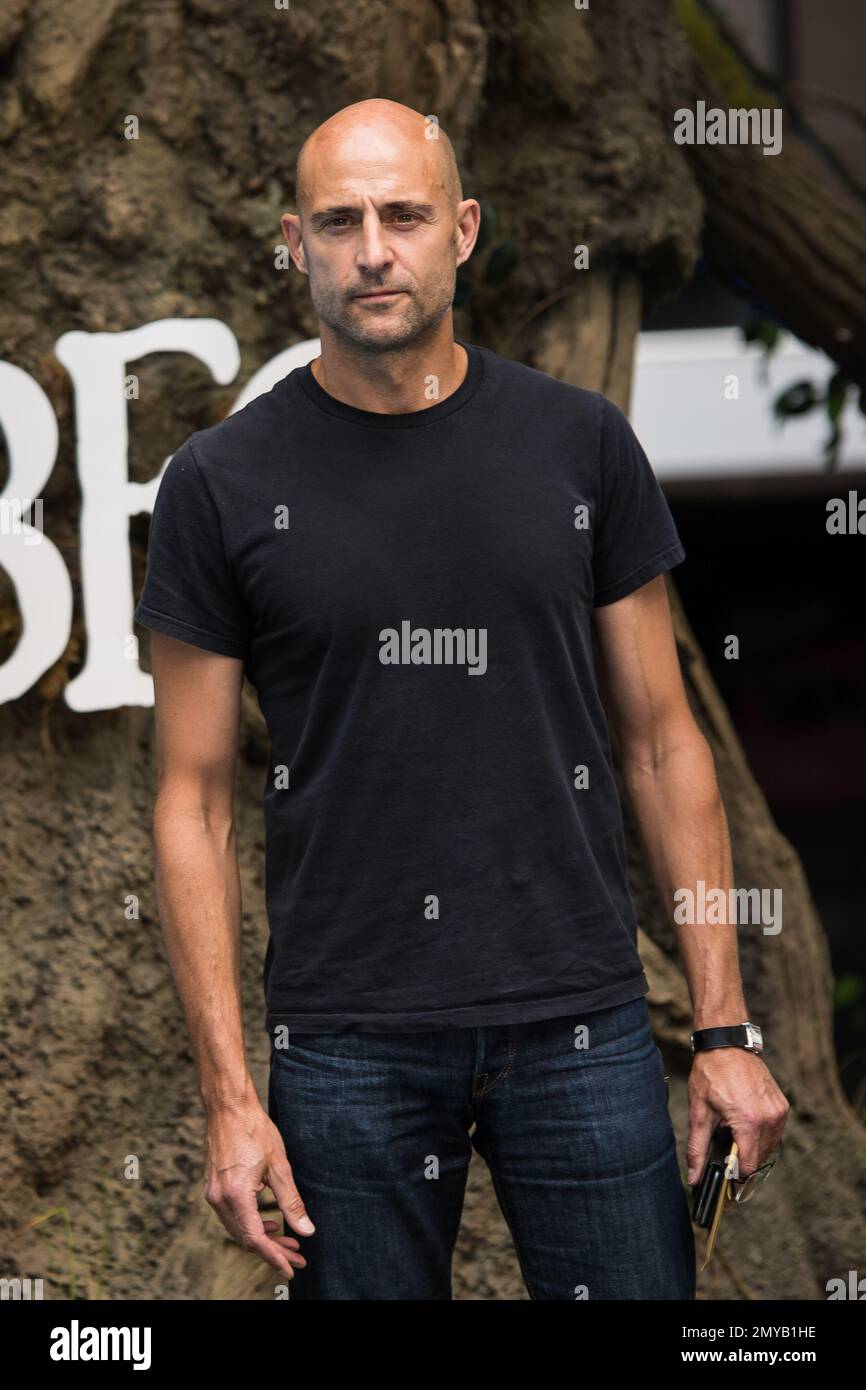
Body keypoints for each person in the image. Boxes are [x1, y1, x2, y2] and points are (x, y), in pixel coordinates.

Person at [134, 97, 789, 1300]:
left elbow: (659, 743)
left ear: (463, 229)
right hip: (342, 1043)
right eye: (337, 221)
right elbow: (192, 802)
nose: (371, 248)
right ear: (294, 241)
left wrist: (720, 1031)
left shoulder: (578, 444)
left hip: (581, 1024)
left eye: (403, 214)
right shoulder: (220, 485)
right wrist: (229, 1100)